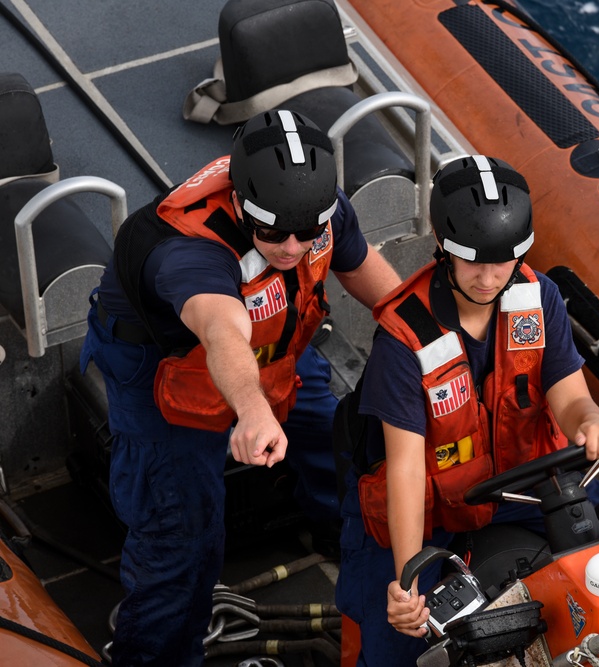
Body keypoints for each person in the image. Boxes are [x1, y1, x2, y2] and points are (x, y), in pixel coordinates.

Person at [79, 109, 400, 666]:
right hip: (167, 369)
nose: (292, 248)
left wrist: (428, 342)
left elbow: (365, 270)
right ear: (241, 202)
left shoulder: (313, 209)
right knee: (181, 538)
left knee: (338, 440)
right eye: (273, 233)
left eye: (307, 233)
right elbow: (221, 332)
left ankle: (338, 531)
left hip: (276, 347)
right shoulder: (191, 253)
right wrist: (252, 410)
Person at [335, 154, 599, 665]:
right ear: (443, 245)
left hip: (518, 487)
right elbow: (406, 470)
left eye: (503, 262)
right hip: (428, 509)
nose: (489, 278)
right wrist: (407, 578)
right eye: (473, 262)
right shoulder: (403, 340)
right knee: (396, 638)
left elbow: (570, 396)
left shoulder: (540, 299)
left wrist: (592, 421)